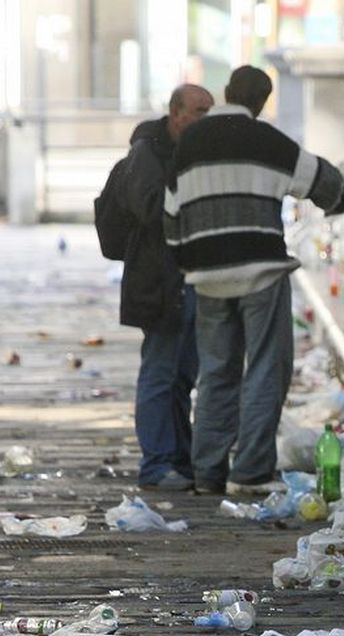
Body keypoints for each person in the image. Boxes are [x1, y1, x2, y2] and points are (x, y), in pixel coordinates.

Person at [164, 66, 344, 496]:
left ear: (226, 92)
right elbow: (329, 187)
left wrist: (187, 260)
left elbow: (170, 217)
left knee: (216, 372)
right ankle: (249, 471)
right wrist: (337, 202)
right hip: (260, 273)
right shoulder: (268, 142)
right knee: (266, 367)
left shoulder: (189, 143)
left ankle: (207, 473)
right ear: (263, 102)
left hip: (207, 276)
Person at [116, 84, 214, 491]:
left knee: (182, 373)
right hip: (158, 280)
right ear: (176, 113)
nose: (206, 118)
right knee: (159, 370)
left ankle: (179, 455)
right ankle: (156, 462)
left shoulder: (191, 151)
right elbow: (150, 207)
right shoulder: (148, 152)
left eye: (210, 110)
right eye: (199, 110)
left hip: (188, 278)